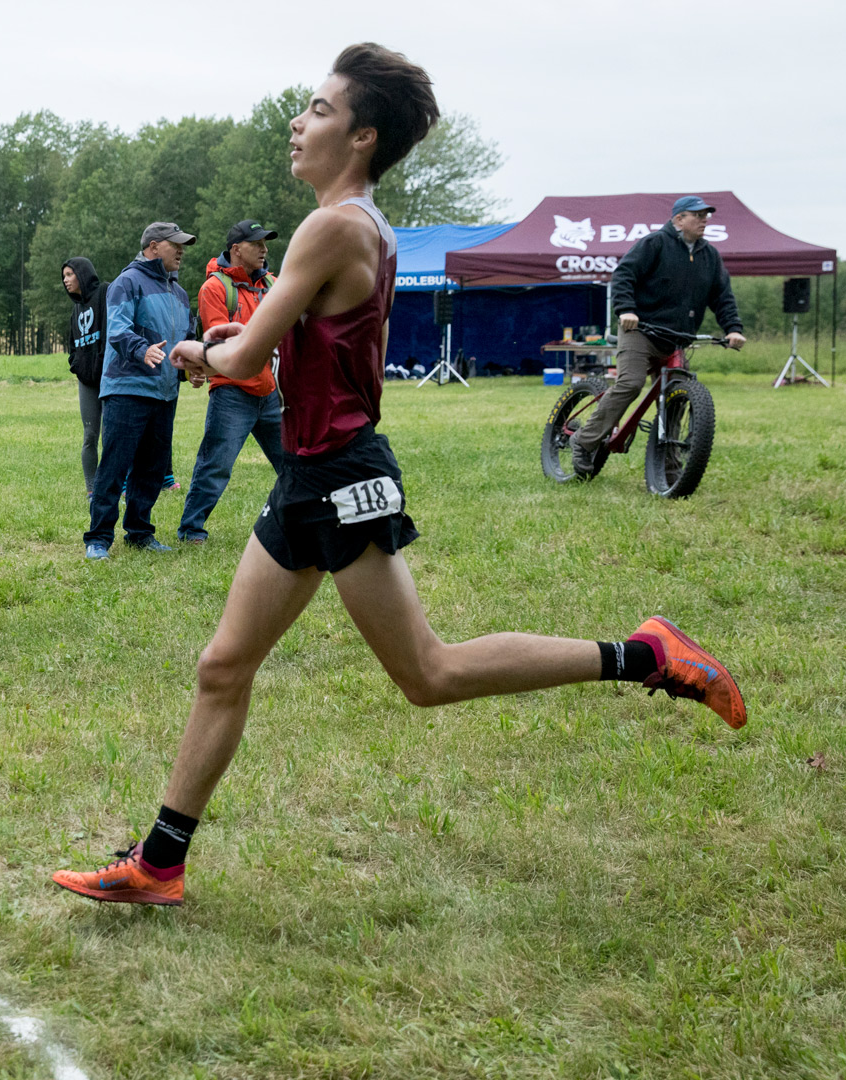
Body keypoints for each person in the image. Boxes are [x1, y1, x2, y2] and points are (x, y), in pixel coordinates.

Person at [49, 43, 747, 909]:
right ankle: (159, 863)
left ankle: (644, 654)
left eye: (317, 109)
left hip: (338, 474)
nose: (297, 123)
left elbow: (249, 353)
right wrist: (218, 351)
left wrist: (195, 350)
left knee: (429, 674)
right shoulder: (356, 225)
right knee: (224, 664)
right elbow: (264, 350)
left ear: (363, 135)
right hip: (308, 471)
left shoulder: (337, 225)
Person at [571, 196, 746, 477]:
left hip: (677, 338)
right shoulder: (654, 244)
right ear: (679, 219)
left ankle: (669, 467)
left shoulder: (709, 255)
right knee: (630, 384)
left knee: (674, 399)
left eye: (706, 216)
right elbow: (625, 276)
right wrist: (626, 310)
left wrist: (733, 328)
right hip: (640, 330)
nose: (704, 221)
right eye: (697, 216)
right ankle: (584, 440)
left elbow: (722, 296)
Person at [81, 222, 198, 560]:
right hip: (127, 389)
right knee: (115, 466)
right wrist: (141, 349)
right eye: (174, 244)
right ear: (153, 246)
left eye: (182, 245)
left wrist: (193, 367)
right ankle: (98, 538)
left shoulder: (179, 293)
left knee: (152, 467)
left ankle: (139, 532)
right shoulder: (126, 283)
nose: (180, 251)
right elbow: (117, 330)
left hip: (164, 393)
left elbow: (185, 340)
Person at [177, 220, 289, 544]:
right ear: (237, 249)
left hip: (270, 392)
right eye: (258, 244)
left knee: (293, 460)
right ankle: (191, 530)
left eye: (266, 244)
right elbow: (221, 348)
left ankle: (311, 517)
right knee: (215, 465)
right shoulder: (214, 289)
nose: (265, 250)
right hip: (231, 392)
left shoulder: (272, 284)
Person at [62, 257, 108, 496]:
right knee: (90, 435)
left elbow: (112, 332)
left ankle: (116, 487)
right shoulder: (75, 309)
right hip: (86, 382)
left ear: (82, 273)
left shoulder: (105, 293)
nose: (65, 280)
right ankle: (92, 490)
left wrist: (103, 365)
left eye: (69, 274)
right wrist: (76, 365)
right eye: (64, 276)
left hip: (110, 378)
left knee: (113, 436)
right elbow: (73, 345)